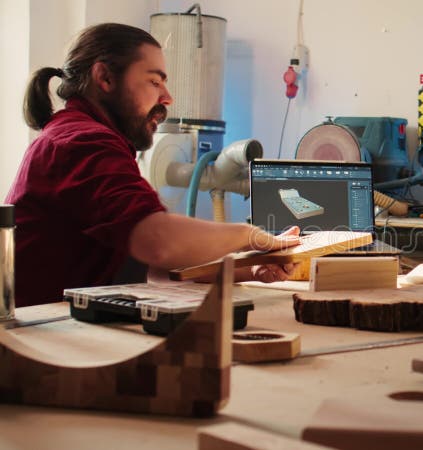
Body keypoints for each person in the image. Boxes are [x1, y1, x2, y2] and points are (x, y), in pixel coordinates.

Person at [5, 23, 300, 308]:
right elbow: (159, 242)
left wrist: (250, 269)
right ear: (105, 78)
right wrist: (249, 237)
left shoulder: (84, 137)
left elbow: (155, 264)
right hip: (43, 342)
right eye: (154, 81)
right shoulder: (83, 142)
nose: (167, 98)